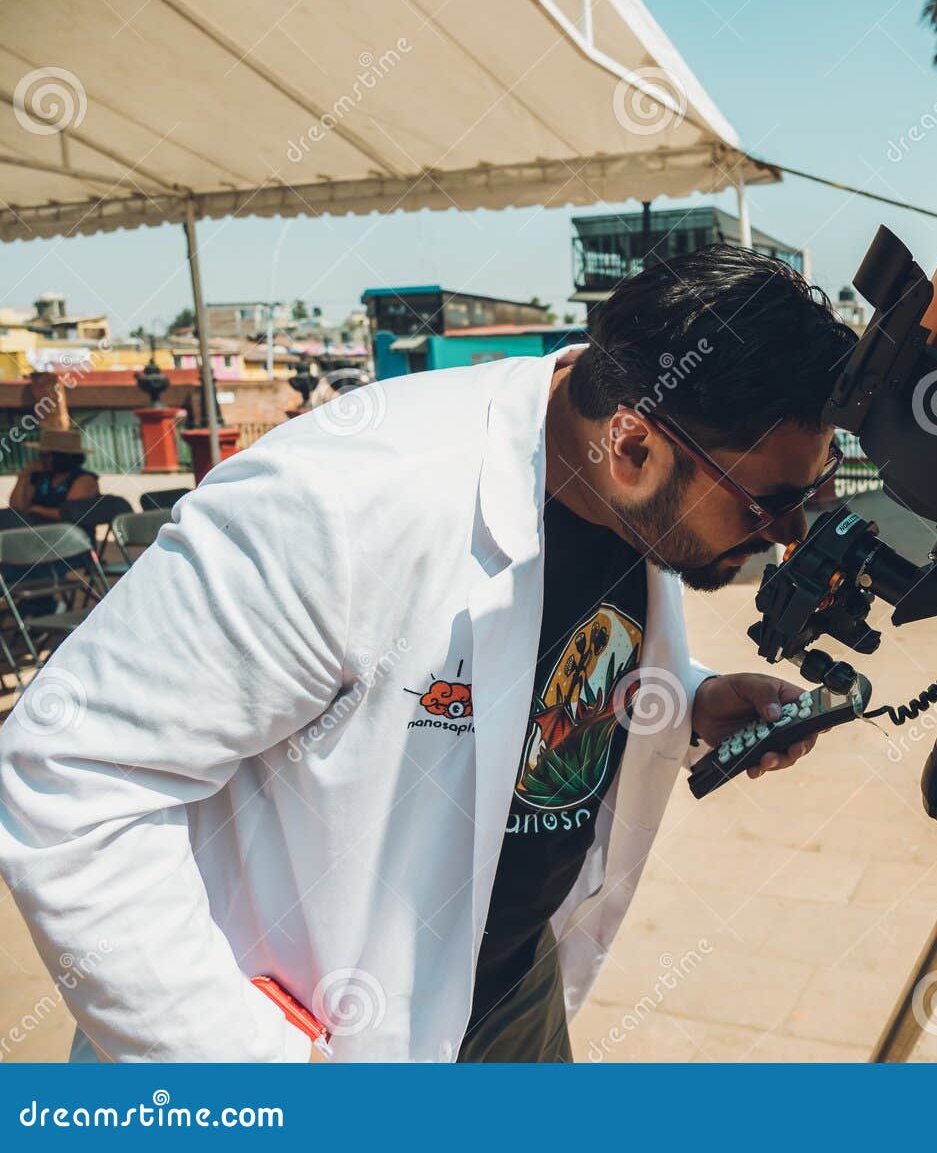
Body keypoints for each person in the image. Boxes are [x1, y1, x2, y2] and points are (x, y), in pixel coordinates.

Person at [0, 244, 858, 1062]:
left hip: (513, 983)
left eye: (811, 492)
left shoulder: (626, 484)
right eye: (769, 503)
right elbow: (68, 771)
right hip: (327, 1025)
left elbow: (533, 661)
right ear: (634, 447)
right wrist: (255, 1067)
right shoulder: (339, 502)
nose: (789, 532)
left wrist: (688, 698)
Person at [9, 427, 100, 523]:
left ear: (62, 457)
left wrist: (37, 510)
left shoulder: (84, 479)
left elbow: (71, 514)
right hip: (38, 528)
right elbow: (17, 508)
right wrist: (23, 477)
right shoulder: (41, 476)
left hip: (69, 530)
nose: (41, 459)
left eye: (46, 456)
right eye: (40, 455)